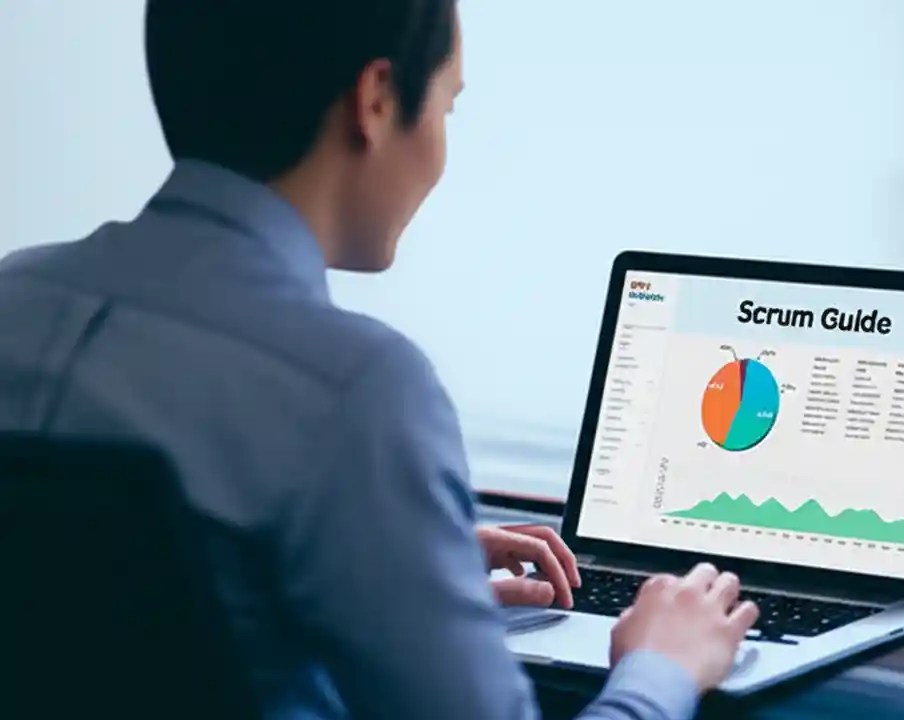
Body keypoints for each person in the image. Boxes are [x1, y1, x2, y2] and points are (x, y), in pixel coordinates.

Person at [0, 1, 758, 718]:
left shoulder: (15, 297)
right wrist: (661, 667)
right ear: (376, 100)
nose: (443, 151)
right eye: (448, 107)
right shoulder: (354, 391)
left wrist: (401, 565)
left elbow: (107, 597)